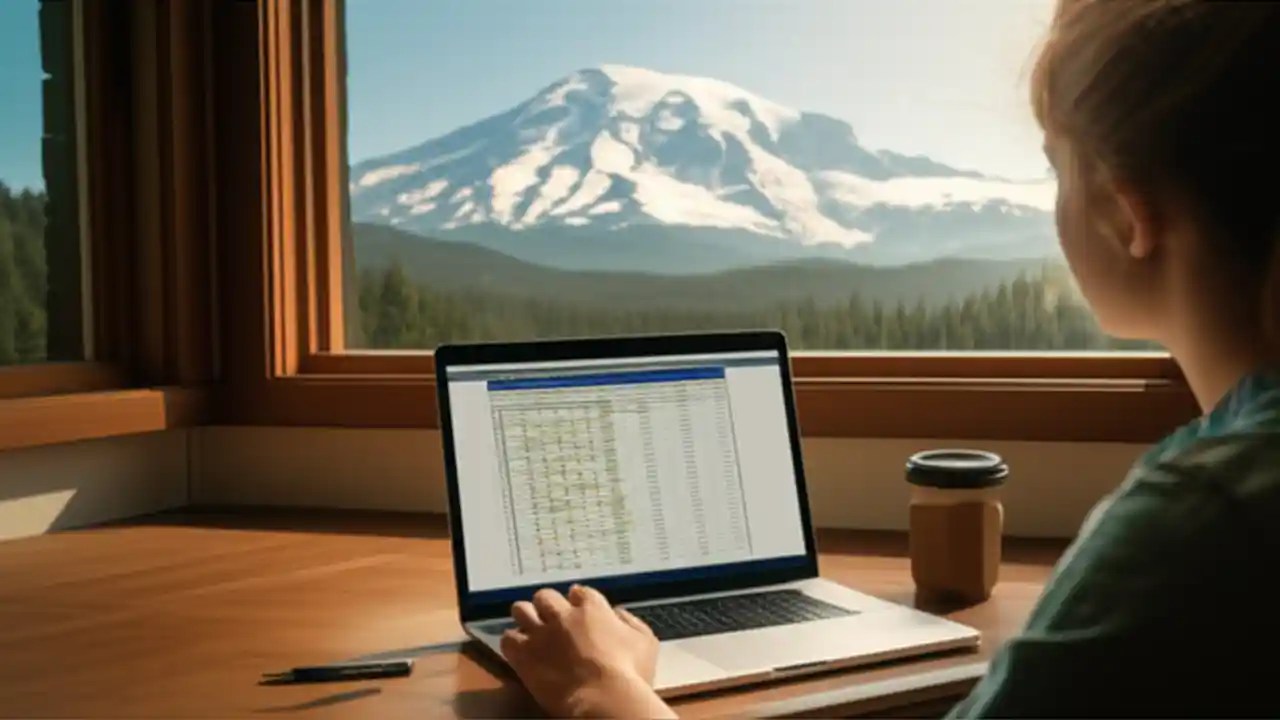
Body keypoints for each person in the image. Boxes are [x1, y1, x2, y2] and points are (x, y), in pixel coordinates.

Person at [496, 1, 1280, 716]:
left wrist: (601, 689)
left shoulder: (1202, 523)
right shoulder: (1224, 462)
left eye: (1057, 166)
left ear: (1122, 210)